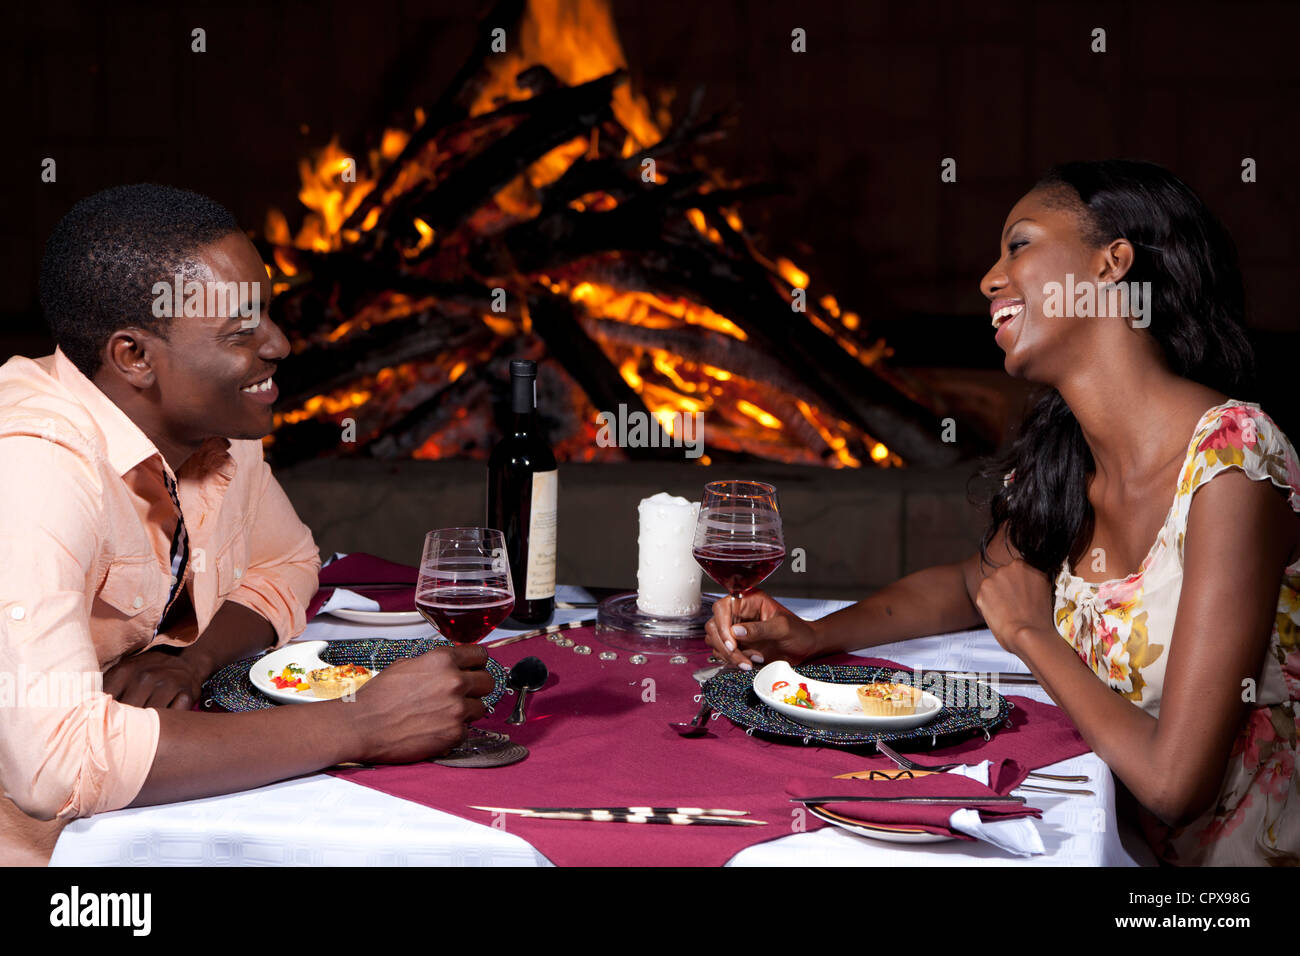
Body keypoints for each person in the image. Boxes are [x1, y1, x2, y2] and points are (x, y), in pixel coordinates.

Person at [705, 160, 1300, 866]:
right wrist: (811, 637)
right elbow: (971, 584)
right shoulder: (1072, 462)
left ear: (1112, 265)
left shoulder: (1233, 458)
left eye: (1019, 245)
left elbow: (1177, 784)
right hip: (1125, 846)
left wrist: (1030, 633)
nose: (989, 279)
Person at [0, 184, 494, 865]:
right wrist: (358, 725)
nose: (280, 345)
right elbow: (57, 763)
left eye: (267, 315)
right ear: (134, 358)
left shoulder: (213, 426)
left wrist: (190, 659)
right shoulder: (31, 473)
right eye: (242, 332)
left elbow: (286, 563)